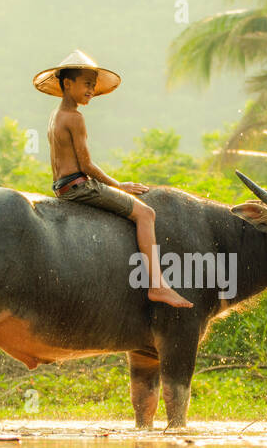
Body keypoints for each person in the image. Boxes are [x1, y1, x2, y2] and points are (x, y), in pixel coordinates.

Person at [34, 49, 192, 308]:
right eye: (86, 84)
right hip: (79, 188)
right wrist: (118, 186)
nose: (91, 90)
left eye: (93, 85)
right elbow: (86, 165)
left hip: (61, 187)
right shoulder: (74, 118)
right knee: (146, 214)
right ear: (67, 83)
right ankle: (157, 285)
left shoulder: (55, 115)